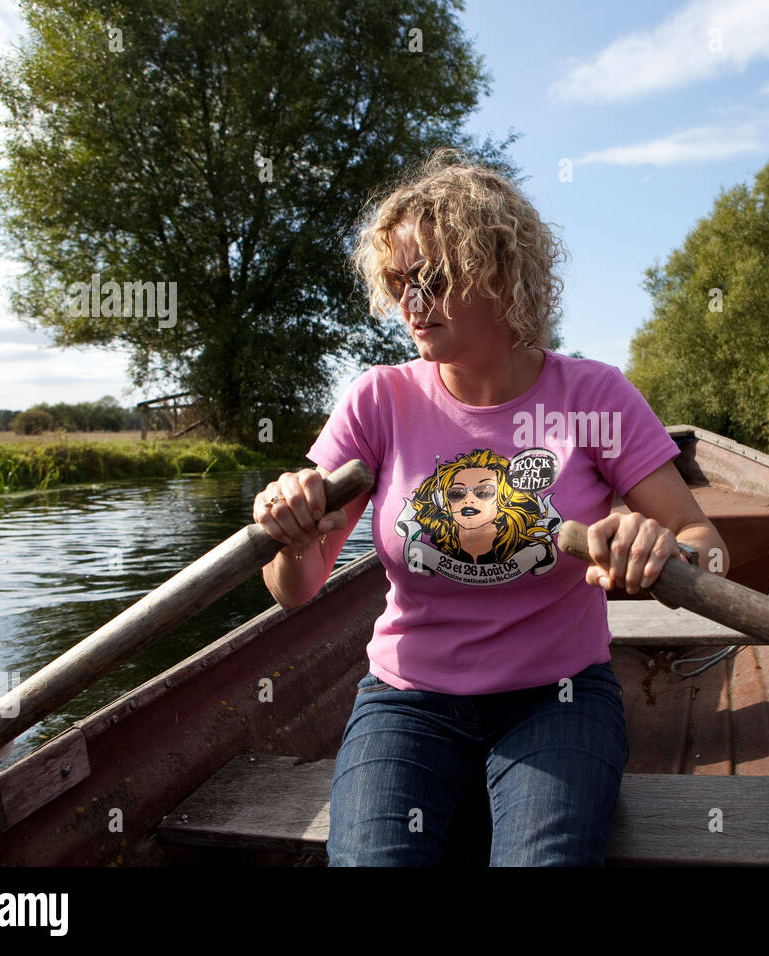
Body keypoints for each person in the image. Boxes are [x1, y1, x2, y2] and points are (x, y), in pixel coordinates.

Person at [252, 150, 729, 866]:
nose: (411, 303)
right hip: (404, 702)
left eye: (433, 280)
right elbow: (296, 591)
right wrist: (288, 536)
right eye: (399, 283)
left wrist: (662, 551)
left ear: (500, 276)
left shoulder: (592, 396)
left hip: (557, 700)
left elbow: (711, 547)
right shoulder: (379, 400)